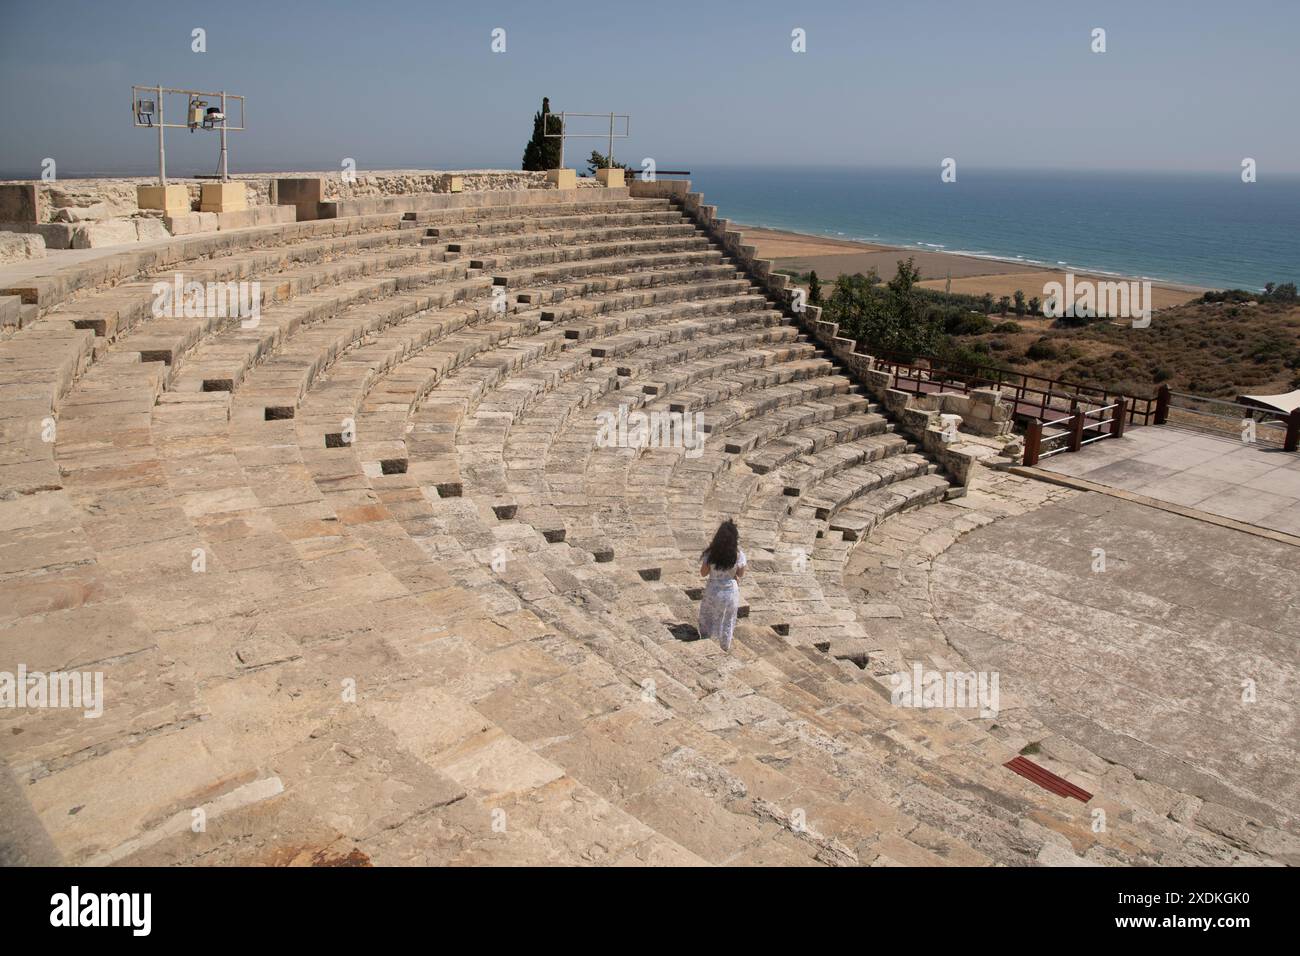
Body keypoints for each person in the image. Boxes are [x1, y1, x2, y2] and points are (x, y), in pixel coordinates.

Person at [698, 519, 747, 652]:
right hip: (730, 591)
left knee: (708, 615)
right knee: (727, 619)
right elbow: (741, 574)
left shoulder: (711, 553)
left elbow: (703, 573)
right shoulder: (738, 554)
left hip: (713, 590)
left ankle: (705, 642)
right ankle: (724, 646)